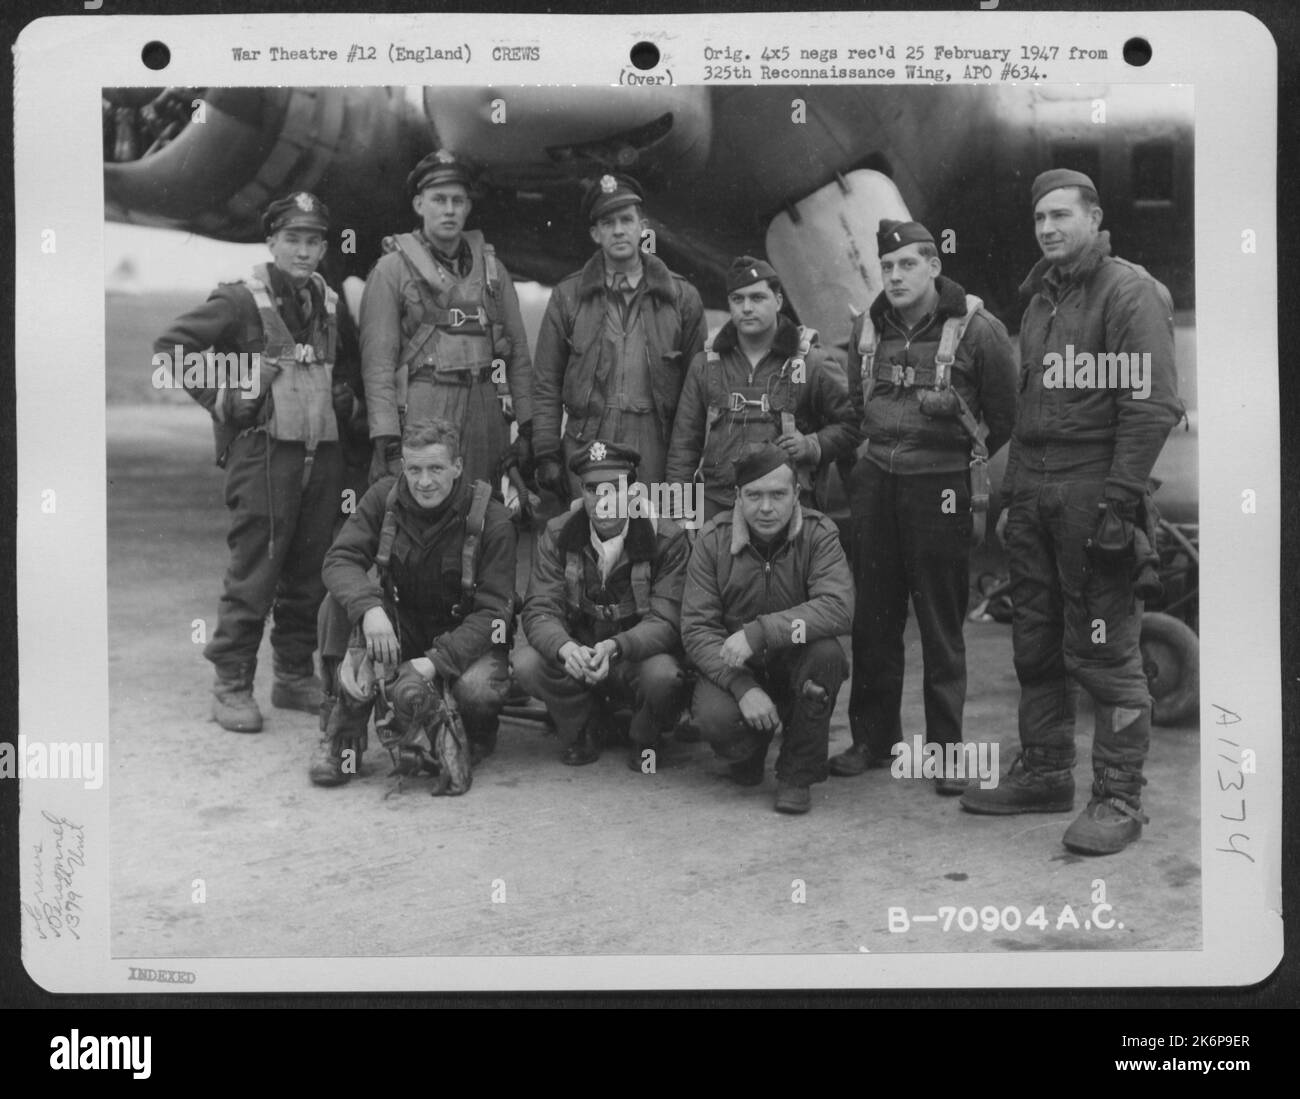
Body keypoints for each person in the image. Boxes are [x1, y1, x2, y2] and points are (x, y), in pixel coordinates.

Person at [959, 169, 1182, 854]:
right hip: (1036, 499)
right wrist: (1012, 501)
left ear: (1094, 217)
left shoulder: (1128, 292)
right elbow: (1028, 417)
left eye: (1062, 215)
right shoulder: (1037, 303)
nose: (1049, 228)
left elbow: (1150, 407)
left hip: (1094, 499)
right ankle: (1047, 769)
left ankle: (1118, 798)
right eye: (1040, 219)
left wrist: (1117, 504)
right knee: (1035, 644)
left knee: (1106, 654)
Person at [829, 219, 1018, 793]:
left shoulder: (978, 330)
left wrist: (960, 460)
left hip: (939, 488)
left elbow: (1004, 416)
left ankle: (944, 753)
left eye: (908, 264)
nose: (895, 276)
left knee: (939, 623)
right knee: (873, 620)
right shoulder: (869, 327)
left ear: (934, 267)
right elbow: (849, 406)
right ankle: (873, 739)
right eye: (887, 267)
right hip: (876, 483)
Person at [155, 191, 350, 732]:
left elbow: (348, 369)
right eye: (293, 239)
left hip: (321, 457)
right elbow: (170, 348)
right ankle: (232, 684)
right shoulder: (241, 300)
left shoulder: (329, 302)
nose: (304, 251)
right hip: (264, 456)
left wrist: (347, 400)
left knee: (309, 577)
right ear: (271, 241)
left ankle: (292, 676)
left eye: (314, 241)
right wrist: (227, 397)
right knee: (254, 575)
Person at [309, 418, 516, 786]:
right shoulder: (383, 498)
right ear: (403, 467)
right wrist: (371, 610)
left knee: (477, 688)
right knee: (337, 605)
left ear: (458, 466)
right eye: (415, 469)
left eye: (436, 468)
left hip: (465, 637)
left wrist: (436, 663)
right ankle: (340, 734)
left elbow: (494, 614)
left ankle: (475, 731)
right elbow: (338, 560)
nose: (424, 482)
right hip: (400, 627)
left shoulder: (492, 520)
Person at [680, 443, 853, 813]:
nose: (766, 508)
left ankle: (797, 773)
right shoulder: (712, 540)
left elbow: (838, 608)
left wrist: (760, 632)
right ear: (737, 497)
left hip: (794, 661)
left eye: (778, 495)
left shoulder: (819, 534)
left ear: (796, 495)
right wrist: (742, 688)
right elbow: (697, 629)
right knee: (715, 717)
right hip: (738, 667)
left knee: (827, 656)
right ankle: (749, 750)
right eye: (754, 496)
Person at [360, 148, 534, 492]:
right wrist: (385, 435)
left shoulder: (493, 271)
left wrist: (528, 426)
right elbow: (377, 365)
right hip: (427, 402)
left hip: (486, 405)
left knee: (486, 510)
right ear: (419, 205)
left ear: (468, 207)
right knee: (427, 511)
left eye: (458, 200)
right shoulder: (391, 271)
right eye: (439, 199)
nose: (450, 210)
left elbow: (518, 355)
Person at [515, 440, 691, 768]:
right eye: (593, 489)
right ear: (582, 493)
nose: (603, 500)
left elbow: (668, 621)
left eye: (614, 488)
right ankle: (582, 729)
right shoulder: (556, 534)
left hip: (632, 658)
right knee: (527, 662)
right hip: (581, 656)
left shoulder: (667, 539)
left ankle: (645, 737)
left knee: (664, 675)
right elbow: (539, 608)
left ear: (634, 493)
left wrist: (617, 646)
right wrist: (565, 648)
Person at [532, 173, 707, 501]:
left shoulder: (682, 298)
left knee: (655, 538)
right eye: (608, 222)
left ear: (643, 226)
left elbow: (695, 393)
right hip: (589, 442)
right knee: (589, 540)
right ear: (595, 234)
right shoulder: (568, 296)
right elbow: (546, 383)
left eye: (626, 220)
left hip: (655, 441)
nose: (618, 230)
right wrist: (546, 453)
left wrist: (685, 464)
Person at [666, 255, 857, 523]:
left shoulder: (811, 362)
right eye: (737, 299)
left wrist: (813, 445)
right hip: (719, 505)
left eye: (757, 298)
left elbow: (854, 422)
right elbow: (684, 445)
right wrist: (678, 514)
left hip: (787, 506)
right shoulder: (705, 364)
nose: (746, 308)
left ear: (778, 301)